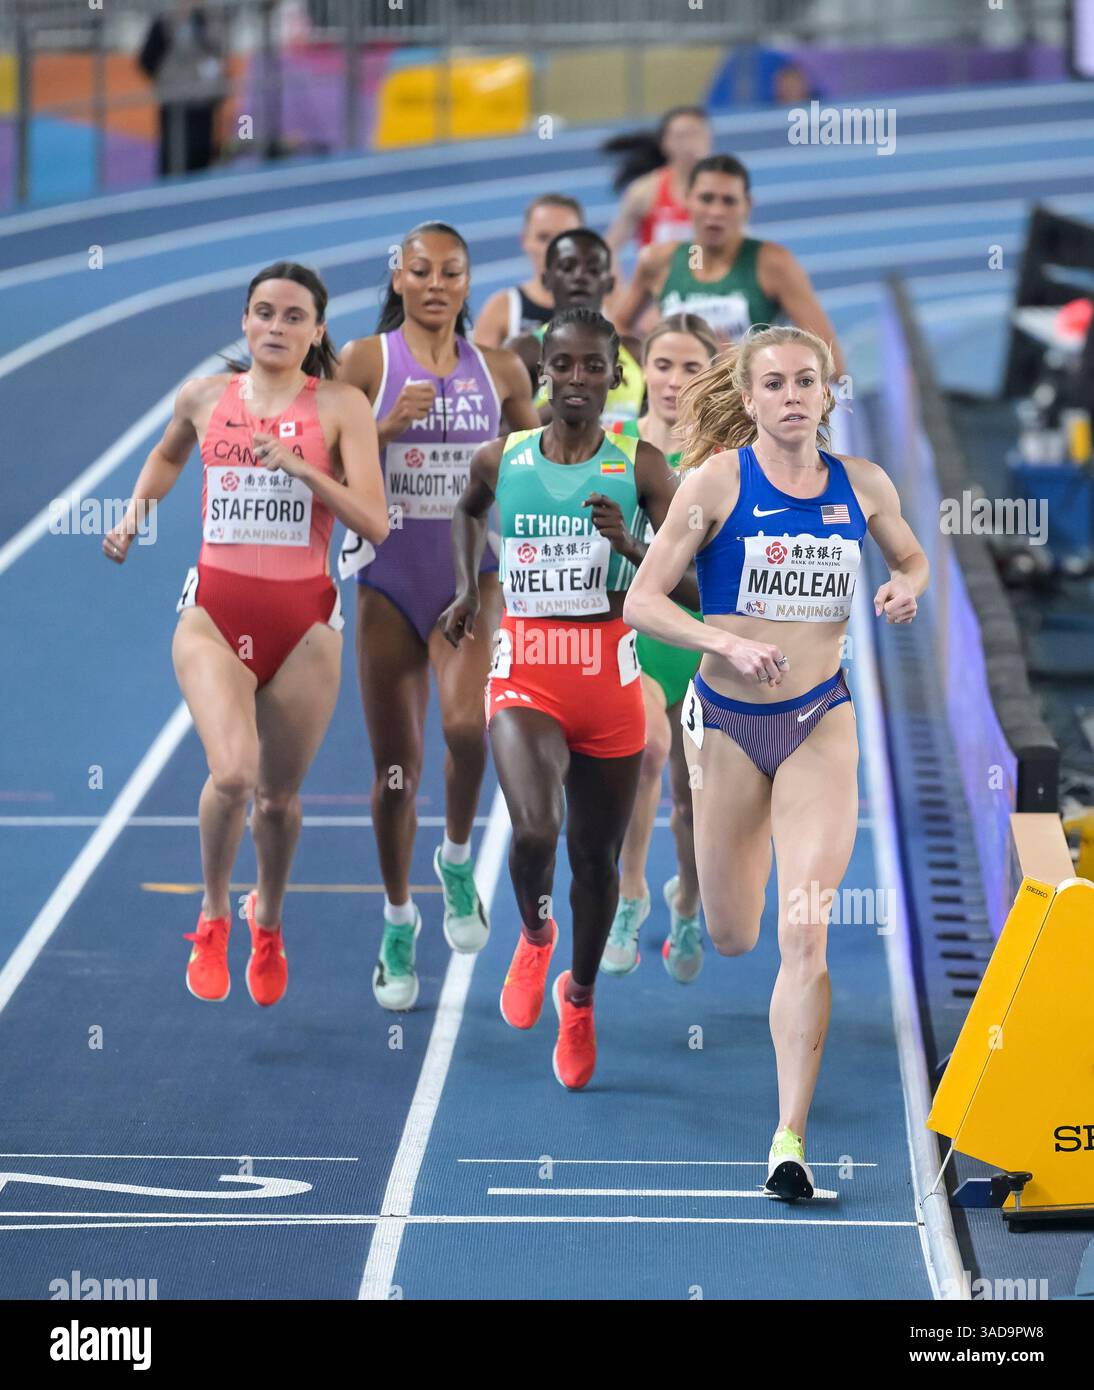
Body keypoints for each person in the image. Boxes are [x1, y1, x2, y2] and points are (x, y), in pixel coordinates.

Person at [622, 324, 927, 1197]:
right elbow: (645, 600)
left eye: (808, 381)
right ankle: (693, 884)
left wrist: (906, 584)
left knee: (804, 932)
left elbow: (910, 555)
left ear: (829, 394)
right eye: (776, 384)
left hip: (818, 723)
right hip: (724, 723)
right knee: (731, 932)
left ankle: (789, 1137)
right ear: (749, 399)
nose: (794, 396)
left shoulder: (863, 487)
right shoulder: (714, 483)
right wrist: (722, 639)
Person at [103, 262, 388, 1006]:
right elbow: (168, 455)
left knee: (278, 801)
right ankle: (212, 912)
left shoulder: (341, 405)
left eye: (295, 317)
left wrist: (304, 470)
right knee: (232, 773)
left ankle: (269, 917)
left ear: (318, 331)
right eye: (264, 312)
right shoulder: (204, 398)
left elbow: (374, 523)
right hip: (214, 616)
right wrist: (137, 510)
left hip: (305, 625)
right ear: (244, 320)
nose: (277, 327)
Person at [440, 307, 700, 1091]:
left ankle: (578, 1000)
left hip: (609, 674)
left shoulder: (643, 466)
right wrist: (464, 589)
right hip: (527, 666)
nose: (579, 381)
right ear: (543, 372)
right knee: (535, 830)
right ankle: (532, 931)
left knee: (594, 860)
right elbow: (466, 509)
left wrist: (633, 549)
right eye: (564, 366)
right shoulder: (504, 456)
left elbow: (692, 585)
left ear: (614, 374)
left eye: (595, 367)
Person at [336, 221, 539, 1011]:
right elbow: (320, 465)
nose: (433, 284)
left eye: (449, 273)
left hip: (472, 578)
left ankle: (456, 861)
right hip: (388, 581)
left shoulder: (499, 369)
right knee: (395, 772)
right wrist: (383, 429)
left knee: (465, 728)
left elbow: (537, 459)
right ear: (398, 279)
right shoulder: (363, 361)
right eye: (418, 270)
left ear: (464, 283)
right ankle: (396, 921)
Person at [599, 313, 719, 984]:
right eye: (662, 366)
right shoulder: (612, 446)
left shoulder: (730, 460)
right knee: (647, 753)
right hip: (636, 639)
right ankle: (632, 892)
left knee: (693, 799)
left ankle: (690, 904)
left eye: (691, 368)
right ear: (643, 372)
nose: (673, 381)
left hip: (701, 646)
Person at [614, 154, 847, 379]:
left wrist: (744, 363)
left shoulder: (773, 263)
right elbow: (617, 328)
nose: (716, 212)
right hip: (676, 410)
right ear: (687, 198)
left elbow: (832, 363)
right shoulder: (658, 261)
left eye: (728, 201)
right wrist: (655, 361)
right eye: (706, 198)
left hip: (747, 413)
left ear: (747, 205)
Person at [505, 228, 644, 428]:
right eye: (568, 267)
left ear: (610, 283)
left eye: (593, 270)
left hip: (619, 460)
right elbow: (499, 434)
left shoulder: (633, 351)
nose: (580, 276)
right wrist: (567, 403)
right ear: (546, 279)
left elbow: (650, 426)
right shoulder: (524, 351)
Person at [473, 194, 585, 348]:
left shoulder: (605, 307)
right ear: (525, 241)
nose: (555, 247)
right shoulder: (502, 308)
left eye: (565, 237)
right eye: (543, 237)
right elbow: (479, 370)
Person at [603, 107, 713, 256]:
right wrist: (619, 280)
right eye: (681, 136)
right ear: (665, 143)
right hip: (658, 278)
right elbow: (609, 248)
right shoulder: (644, 191)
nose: (689, 145)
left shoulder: (724, 191)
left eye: (696, 134)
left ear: (709, 139)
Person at [137, 1, 228, 176]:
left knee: (201, 162)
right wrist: (169, 81)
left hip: (203, 104)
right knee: (174, 162)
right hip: (175, 105)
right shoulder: (165, 23)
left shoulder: (210, 20)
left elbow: (219, 55)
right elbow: (147, 60)